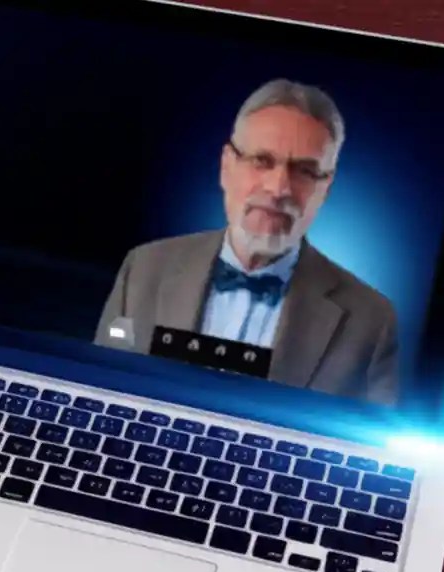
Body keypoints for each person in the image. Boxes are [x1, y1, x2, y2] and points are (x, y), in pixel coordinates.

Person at [94, 78, 399, 405]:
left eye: (305, 171)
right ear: (226, 167)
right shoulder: (143, 268)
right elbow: (101, 384)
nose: (278, 188)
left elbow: (369, 435)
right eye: (262, 160)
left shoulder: (371, 321)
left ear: (325, 189)